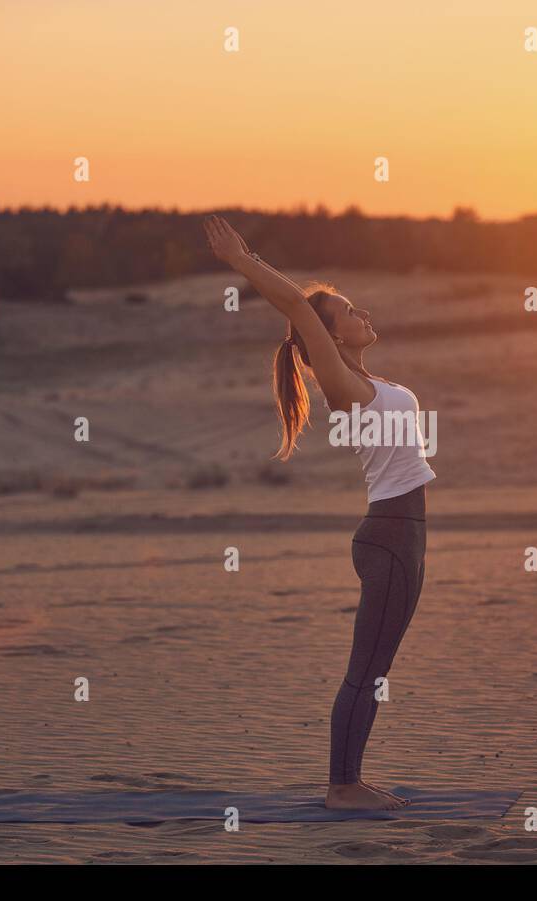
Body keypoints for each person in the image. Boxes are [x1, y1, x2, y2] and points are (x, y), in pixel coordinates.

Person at [204, 215, 436, 809]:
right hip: (389, 538)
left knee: (375, 669)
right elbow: (297, 308)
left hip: (401, 540)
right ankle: (343, 787)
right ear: (330, 339)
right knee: (367, 670)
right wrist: (243, 261)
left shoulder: (371, 383)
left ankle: (348, 780)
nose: (364, 316)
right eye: (350, 314)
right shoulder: (345, 387)